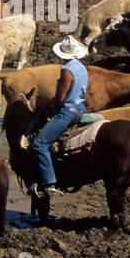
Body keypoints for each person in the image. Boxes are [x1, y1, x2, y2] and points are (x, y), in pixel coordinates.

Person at [24, 36, 90, 198]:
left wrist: (48, 105)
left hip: (67, 111)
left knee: (39, 143)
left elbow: (61, 97)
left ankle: (49, 182)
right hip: (80, 108)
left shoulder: (67, 70)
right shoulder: (82, 68)